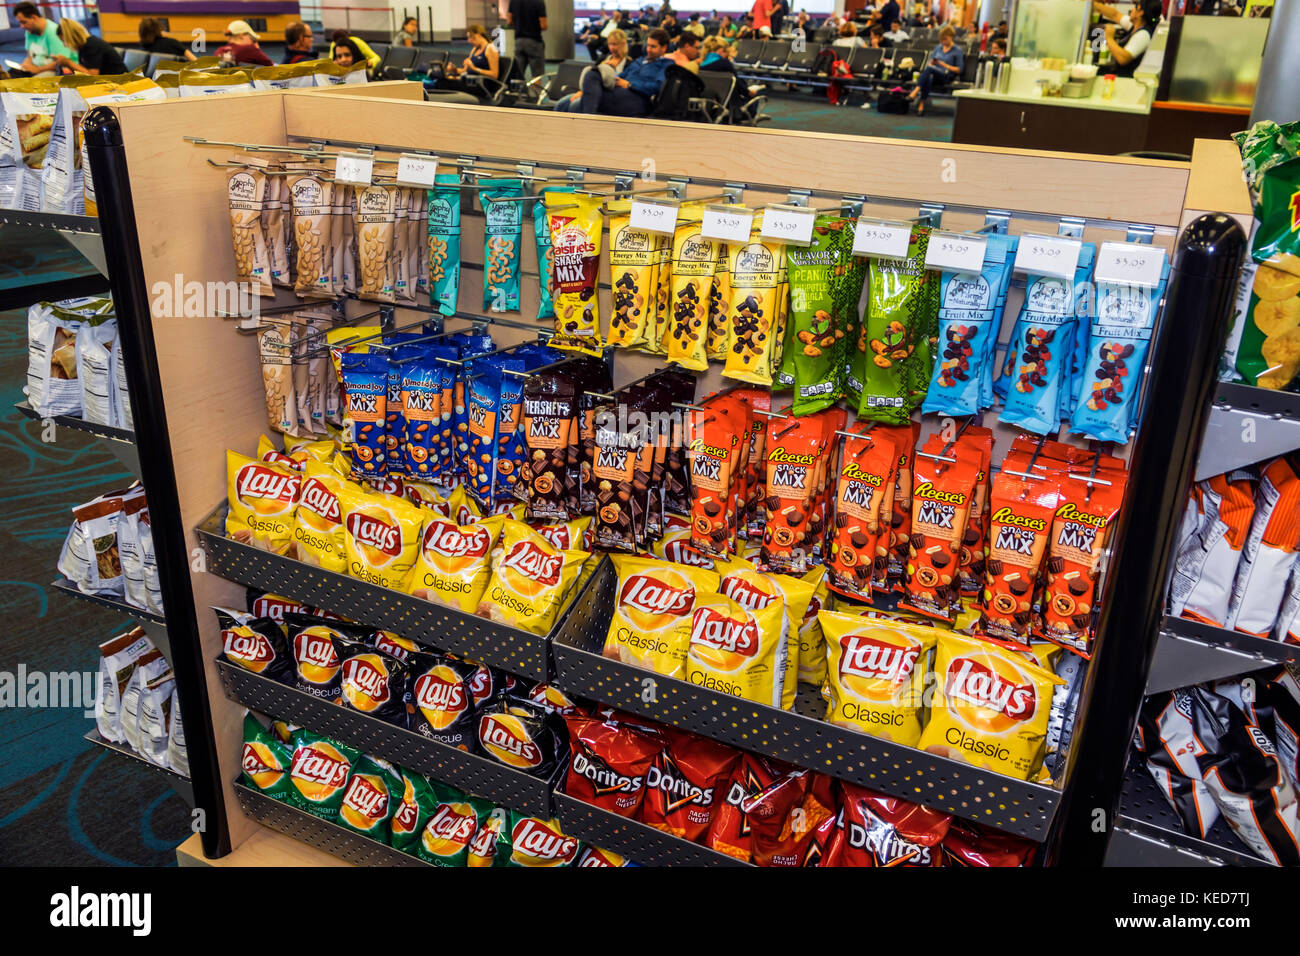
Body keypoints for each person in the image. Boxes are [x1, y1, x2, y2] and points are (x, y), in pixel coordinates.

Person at [567, 27, 670, 116]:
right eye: (647, 45)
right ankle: (588, 119)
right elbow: (620, 76)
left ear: (664, 47)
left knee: (577, 105)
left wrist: (630, 85)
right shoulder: (640, 60)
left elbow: (658, 87)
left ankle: (588, 122)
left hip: (637, 99)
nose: (648, 49)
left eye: (653, 46)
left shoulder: (666, 64)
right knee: (592, 74)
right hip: (620, 94)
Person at [558, 28, 628, 109]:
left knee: (574, 106)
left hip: (607, 95)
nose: (611, 47)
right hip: (590, 90)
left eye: (615, 44)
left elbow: (622, 83)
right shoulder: (604, 58)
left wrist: (611, 70)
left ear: (623, 44)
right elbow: (591, 76)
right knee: (561, 104)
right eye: (610, 44)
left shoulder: (628, 63)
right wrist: (582, 92)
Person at [1096, 0, 1161, 77]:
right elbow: (1115, 15)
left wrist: (1109, 38)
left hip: (1128, 81)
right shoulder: (1135, 25)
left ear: (1140, 12)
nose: (1131, 9)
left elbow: (1123, 58)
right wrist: (1090, 3)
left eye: (1135, 7)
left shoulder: (1144, 35)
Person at [909, 23, 962, 114]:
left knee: (929, 70)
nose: (943, 42)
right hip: (934, 75)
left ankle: (916, 91)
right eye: (942, 39)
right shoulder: (938, 48)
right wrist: (932, 63)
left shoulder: (957, 51)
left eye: (945, 39)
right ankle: (921, 106)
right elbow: (931, 61)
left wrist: (944, 65)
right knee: (929, 77)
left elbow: (959, 69)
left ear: (951, 37)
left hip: (946, 76)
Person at [438, 23, 500, 93]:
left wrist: (475, 68)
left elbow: (495, 75)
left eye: (471, 37)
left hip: (480, 85)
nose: (469, 40)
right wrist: (455, 70)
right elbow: (465, 71)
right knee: (441, 80)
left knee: (443, 84)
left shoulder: (490, 48)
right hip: (469, 81)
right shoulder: (475, 49)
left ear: (479, 34)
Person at [12, 2, 71, 76]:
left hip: (53, 70)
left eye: (24, 22)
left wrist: (37, 70)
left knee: (33, 83)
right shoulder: (29, 31)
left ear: (34, 17)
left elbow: (62, 62)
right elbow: (29, 56)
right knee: (11, 74)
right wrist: (25, 65)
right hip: (37, 67)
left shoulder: (53, 32)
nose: (22, 26)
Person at [53, 20, 127, 75]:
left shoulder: (91, 45)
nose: (64, 45)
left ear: (71, 37)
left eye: (64, 41)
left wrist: (68, 62)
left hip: (119, 82)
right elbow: (83, 70)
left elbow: (92, 75)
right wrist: (67, 65)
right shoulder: (83, 46)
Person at [508, 0, 548, 80]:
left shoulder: (513, 1)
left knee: (518, 74)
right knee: (537, 76)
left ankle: (518, 92)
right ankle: (536, 92)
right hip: (534, 41)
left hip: (518, 41)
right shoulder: (538, 2)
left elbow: (509, 21)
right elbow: (544, 25)